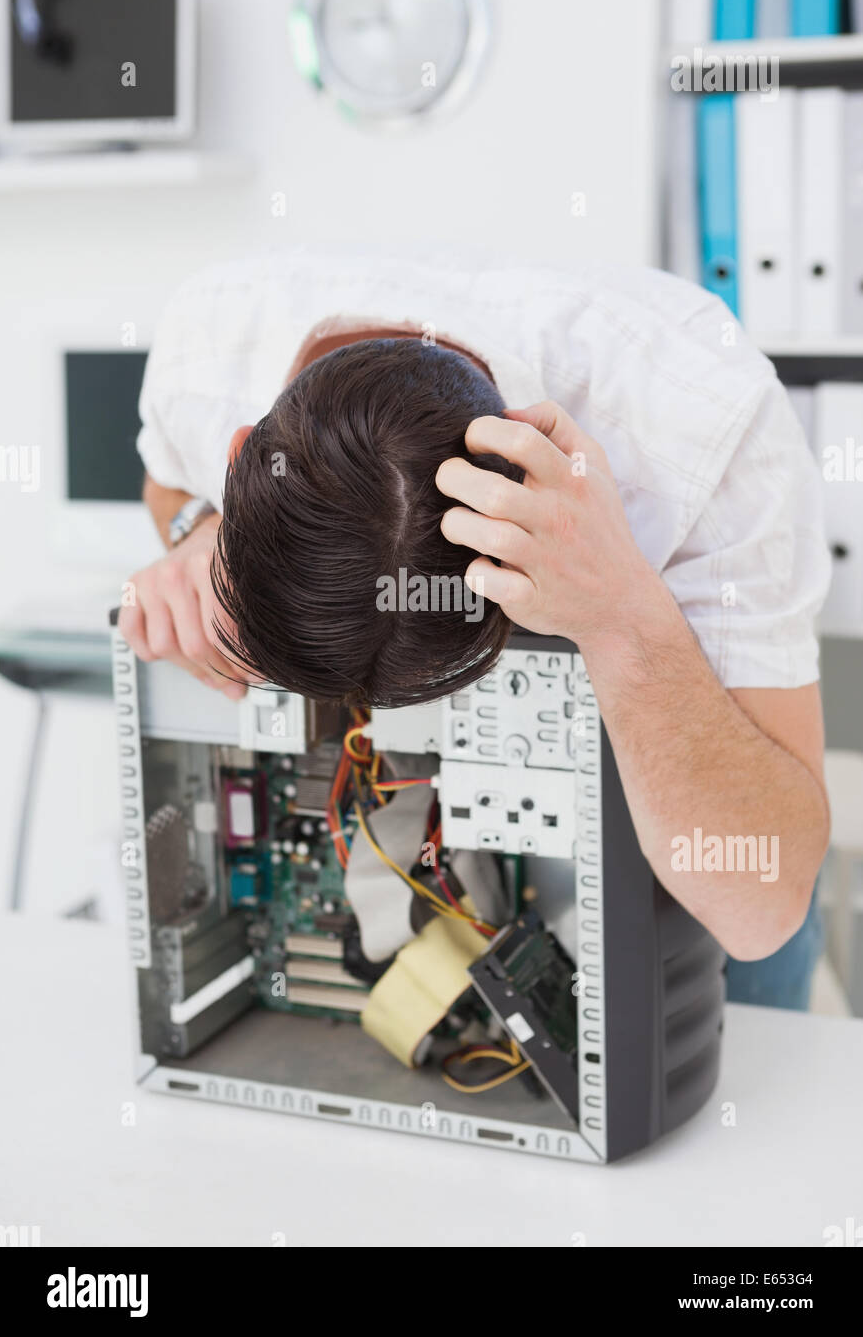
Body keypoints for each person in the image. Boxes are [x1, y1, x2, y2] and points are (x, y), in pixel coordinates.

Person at [119, 245, 832, 1008]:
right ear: (235, 455)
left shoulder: (705, 415)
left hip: (701, 924)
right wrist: (199, 528)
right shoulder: (206, 346)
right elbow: (167, 483)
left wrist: (621, 612)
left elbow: (762, 907)